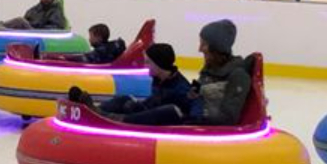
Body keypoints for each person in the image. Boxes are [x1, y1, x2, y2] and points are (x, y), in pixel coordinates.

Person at [71, 20, 251, 127]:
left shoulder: (237, 76)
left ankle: (110, 119)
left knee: (169, 111)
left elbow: (228, 118)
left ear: (217, 47)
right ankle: (97, 112)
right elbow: (193, 98)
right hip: (190, 115)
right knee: (129, 101)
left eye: (204, 44)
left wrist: (194, 120)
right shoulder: (209, 72)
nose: (199, 48)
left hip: (200, 125)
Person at [91, 44, 192, 125]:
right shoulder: (158, 79)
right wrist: (135, 105)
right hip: (150, 113)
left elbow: (187, 113)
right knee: (125, 99)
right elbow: (153, 102)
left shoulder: (181, 88)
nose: (144, 66)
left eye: (148, 62)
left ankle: (118, 119)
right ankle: (95, 111)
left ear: (159, 64)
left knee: (168, 110)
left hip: (165, 118)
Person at [0, 0, 66, 30]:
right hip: (32, 31)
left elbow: (56, 27)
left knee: (20, 21)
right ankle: (1, 26)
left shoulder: (56, 10)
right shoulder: (35, 9)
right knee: (19, 23)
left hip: (41, 33)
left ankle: (0, 27)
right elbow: (27, 18)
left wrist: (39, 26)